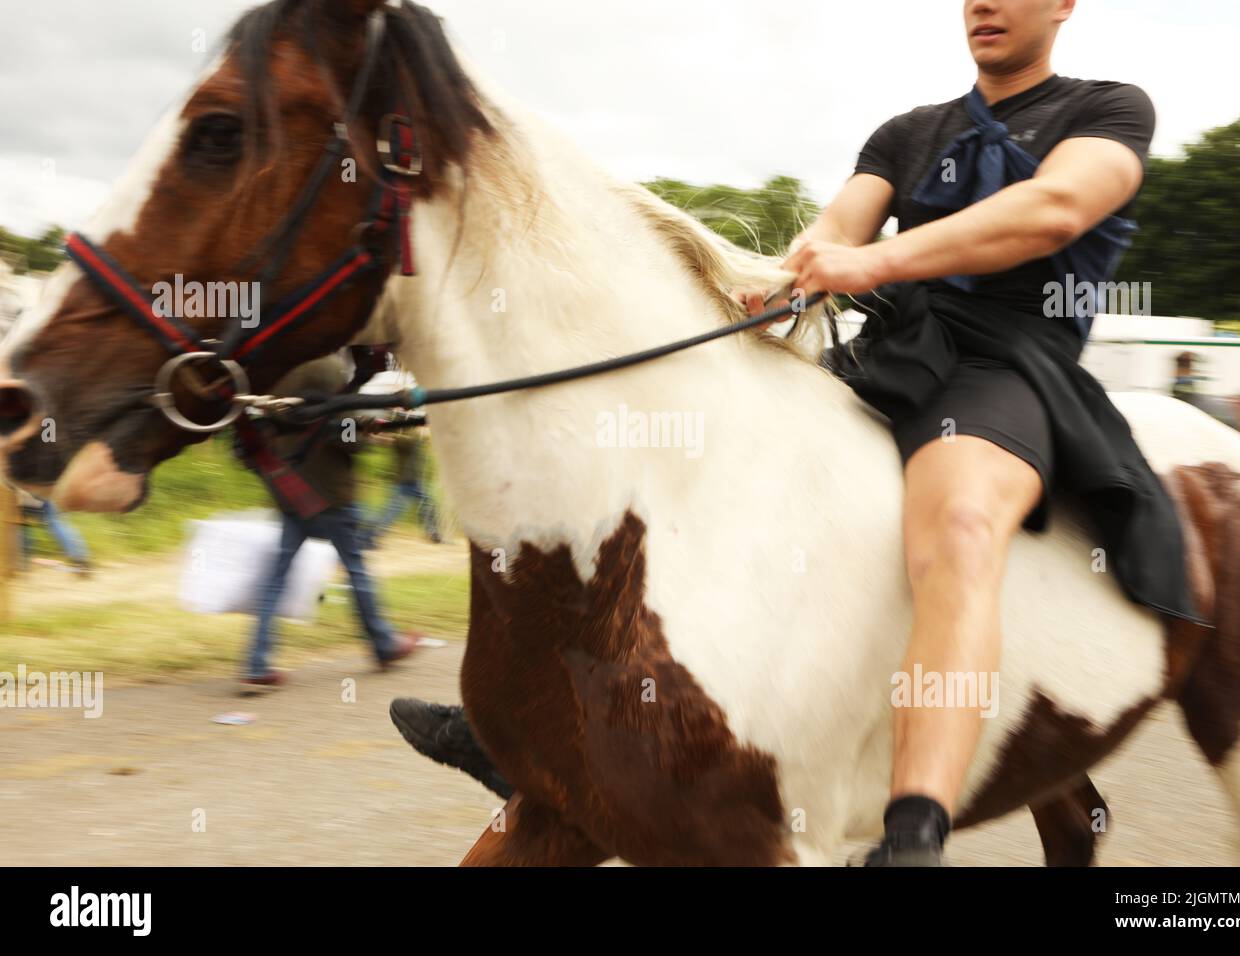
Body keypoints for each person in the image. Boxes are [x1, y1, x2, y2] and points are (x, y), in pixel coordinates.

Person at [390, 0, 1199, 865]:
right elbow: (834, 233)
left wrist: (875, 263)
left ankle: (914, 832)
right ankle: (525, 727)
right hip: (894, 355)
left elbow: (1053, 210)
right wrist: (781, 285)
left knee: (959, 523)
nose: (982, 4)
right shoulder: (908, 130)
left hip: (1010, 369)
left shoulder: (1111, 108)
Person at [237, 355, 420, 687]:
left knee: (277, 579)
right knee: (356, 571)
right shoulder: (333, 387)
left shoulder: (280, 386)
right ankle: (383, 643)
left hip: (291, 492)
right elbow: (347, 442)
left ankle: (256, 662)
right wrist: (366, 435)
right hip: (333, 496)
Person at [363, 426, 442, 547]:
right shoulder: (400, 433)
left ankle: (433, 533)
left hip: (414, 480)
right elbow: (404, 442)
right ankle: (369, 537)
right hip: (404, 481)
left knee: (429, 503)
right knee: (391, 513)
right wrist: (420, 434)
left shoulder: (410, 431)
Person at [17, 491, 92, 575]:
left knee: (21, 524)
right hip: (36, 491)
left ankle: (24, 561)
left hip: (20, 496)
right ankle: (79, 557)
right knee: (55, 521)